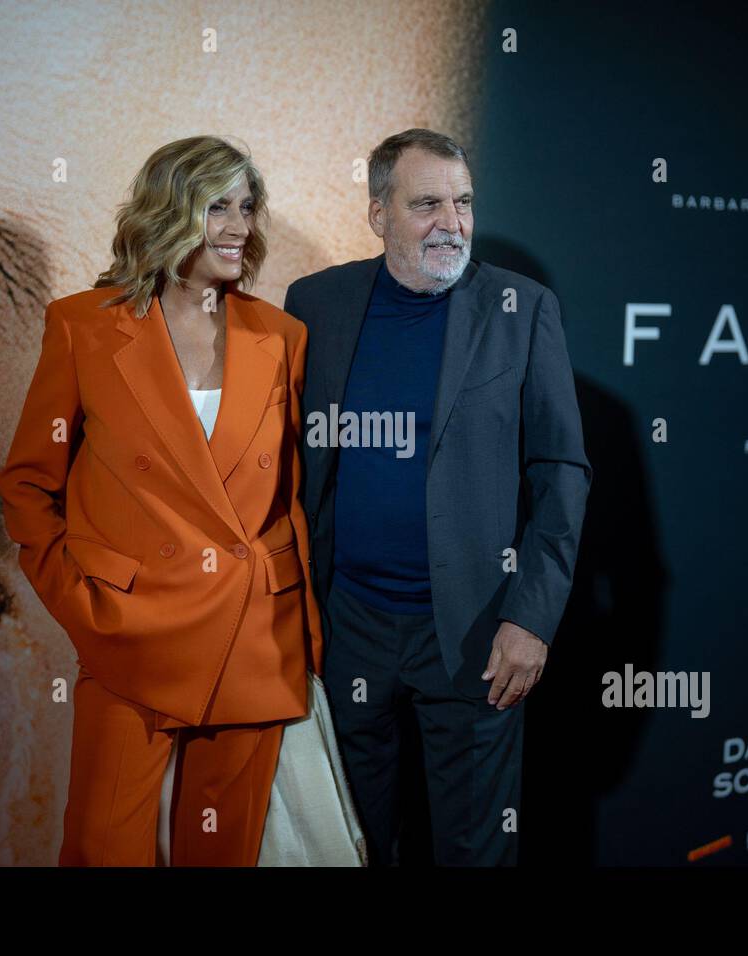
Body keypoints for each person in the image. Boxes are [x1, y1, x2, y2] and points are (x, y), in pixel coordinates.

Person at [0, 136, 342, 866]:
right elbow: (28, 484)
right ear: (170, 209)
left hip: (254, 632)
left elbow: (291, 498)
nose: (239, 225)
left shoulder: (282, 336)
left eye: (248, 207)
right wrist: (82, 600)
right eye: (217, 205)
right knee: (101, 848)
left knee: (224, 854)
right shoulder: (85, 325)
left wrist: (301, 628)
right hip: (132, 631)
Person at [286, 128, 593, 865]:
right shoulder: (315, 303)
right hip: (347, 624)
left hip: (476, 632)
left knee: (473, 848)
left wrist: (532, 617)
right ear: (377, 214)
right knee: (355, 840)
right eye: (426, 204)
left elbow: (562, 471)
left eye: (462, 203)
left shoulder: (523, 308)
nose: (451, 223)